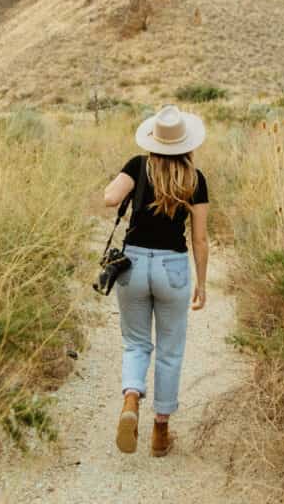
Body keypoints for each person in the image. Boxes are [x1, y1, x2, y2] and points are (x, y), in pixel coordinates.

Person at [100, 104, 210, 457]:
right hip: (172, 268)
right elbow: (200, 239)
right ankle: (160, 431)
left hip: (133, 265)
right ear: (186, 143)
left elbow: (110, 198)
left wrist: (128, 186)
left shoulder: (138, 165)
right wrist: (202, 283)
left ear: (154, 139)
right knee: (169, 350)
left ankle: (131, 399)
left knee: (136, 343)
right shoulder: (195, 179)